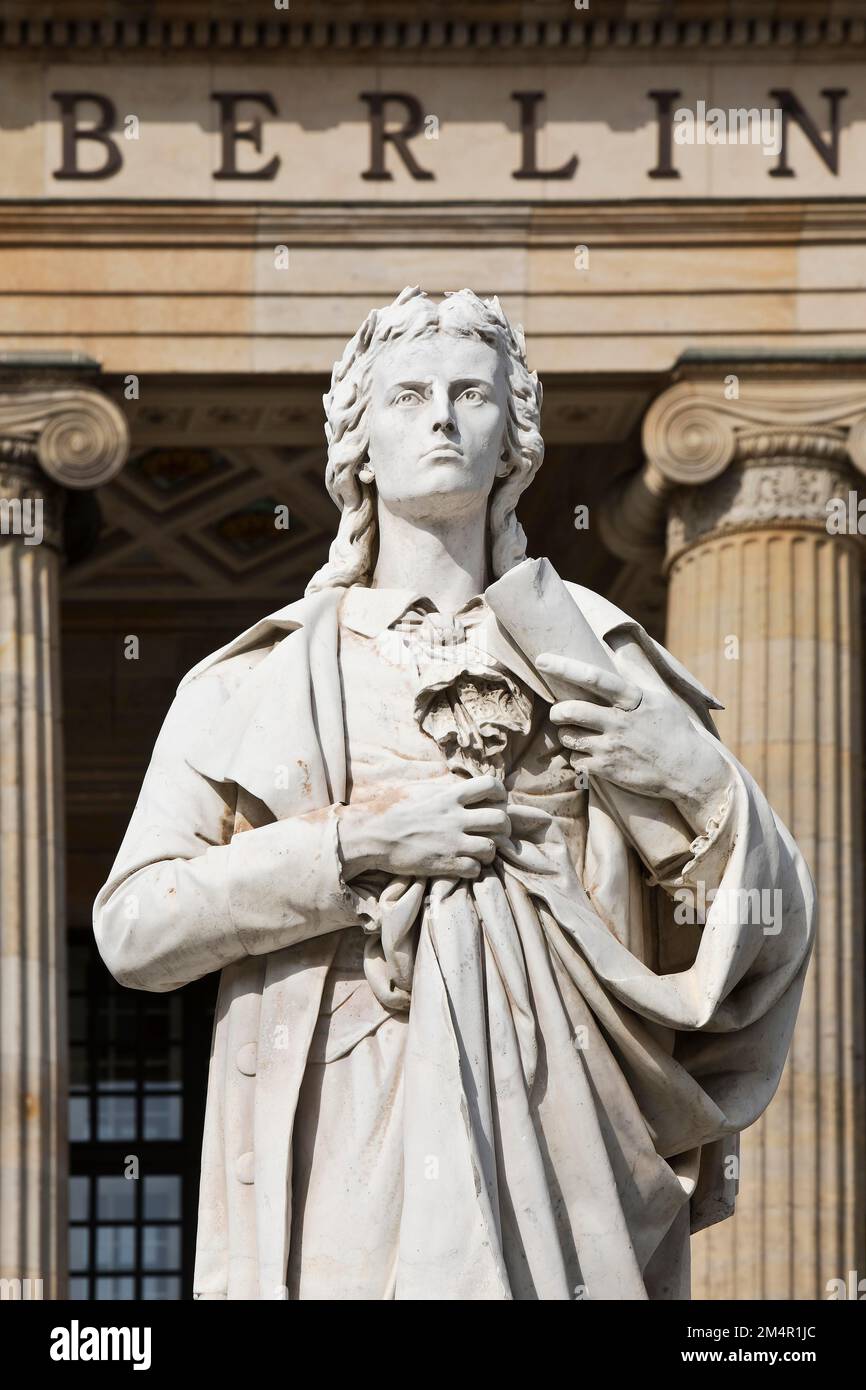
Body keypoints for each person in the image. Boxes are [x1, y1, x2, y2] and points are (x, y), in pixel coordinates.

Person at [94, 287, 814, 1300]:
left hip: (566, 1127)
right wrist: (350, 844)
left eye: (469, 393)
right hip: (342, 1126)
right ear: (357, 438)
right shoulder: (250, 681)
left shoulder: (596, 650)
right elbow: (133, 928)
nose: (439, 415)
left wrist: (694, 781)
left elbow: (772, 918)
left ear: (511, 438)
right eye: (408, 394)